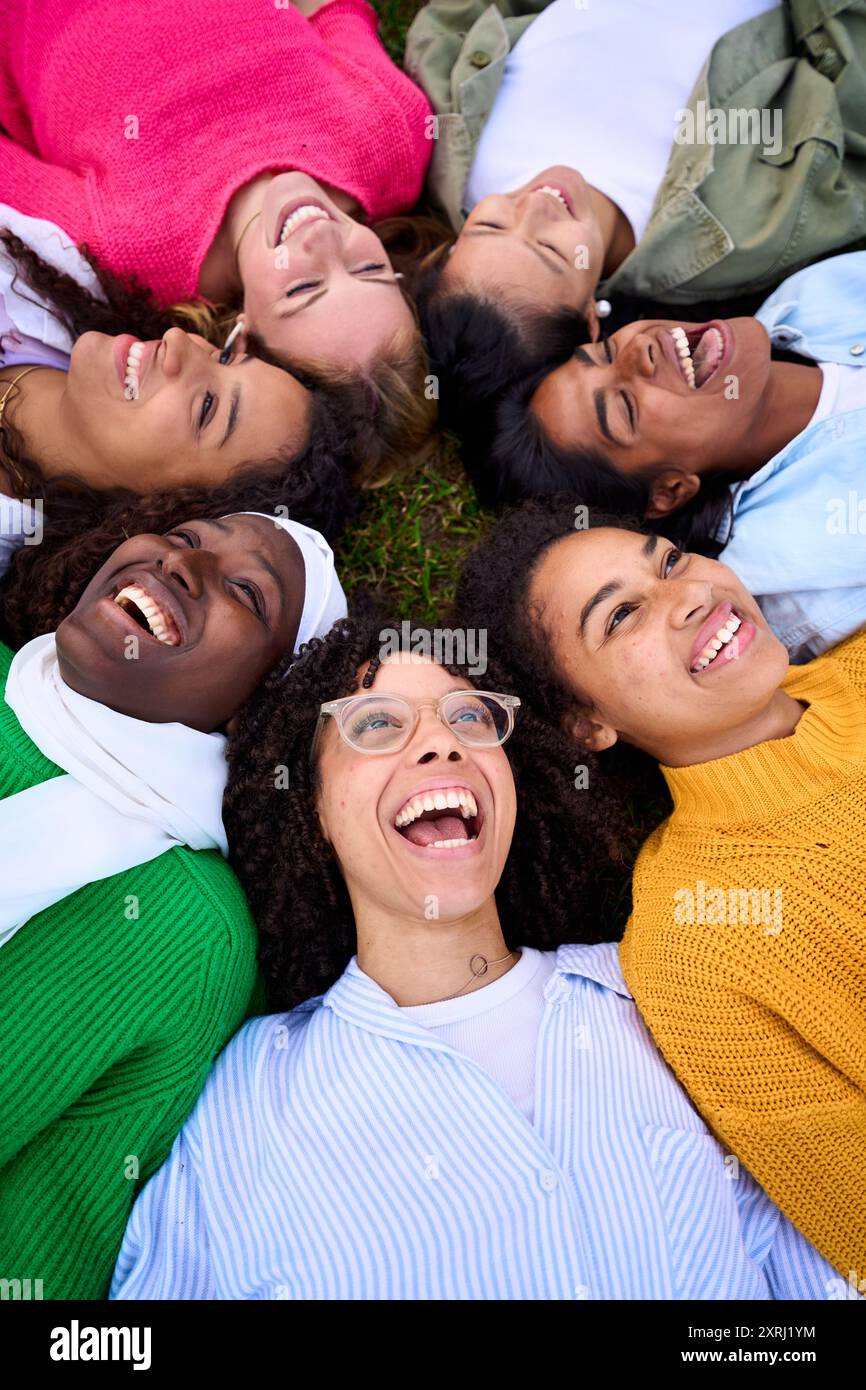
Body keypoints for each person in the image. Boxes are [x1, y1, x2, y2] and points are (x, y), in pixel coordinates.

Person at [110, 612, 846, 1299]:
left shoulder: (667, 993)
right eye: (376, 725)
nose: (442, 742)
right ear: (314, 810)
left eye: (469, 716)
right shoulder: (243, 1098)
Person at [453, 497, 866, 1279]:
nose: (688, 598)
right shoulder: (690, 948)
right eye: (621, 617)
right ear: (588, 725)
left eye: (670, 560)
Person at [0, 509, 347, 1298]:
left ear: (258, 708)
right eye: (188, 537)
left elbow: (54, 1224)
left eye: (248, 594)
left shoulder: (192, 936)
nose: (182, 565)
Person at [406, 0, 866, 429]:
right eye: (550, 249)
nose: (535, 204)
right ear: (590, 318)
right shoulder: (741, 233)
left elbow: (462, 16)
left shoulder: (450, 146)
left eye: (489, 225)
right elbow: (853, 106)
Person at [0, 0, 437, 418]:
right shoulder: (391, 140)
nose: (324, 239)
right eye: (369, 270)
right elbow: (337, 13)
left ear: (242, 339)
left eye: (302, 289)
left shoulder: (128, 250)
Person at [487, 250, 866, 661]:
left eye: (606, 353)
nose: (640, 350)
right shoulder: (809, 571)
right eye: (625, 409)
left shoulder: (816, 294)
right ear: (670, 491)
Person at [0, 214, 365, 579]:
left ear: (163, 508)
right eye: (224, 357)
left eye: (207, 407)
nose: (177, 341)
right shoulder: (48, 273)